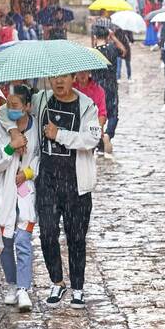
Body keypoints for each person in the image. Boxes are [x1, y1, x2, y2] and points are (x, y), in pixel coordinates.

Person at [32, 71, 102, 308]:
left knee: (76, 236)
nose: (58, 82)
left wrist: (59, 134)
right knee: (47, 233)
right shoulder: (41, 100)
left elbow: (92, 139)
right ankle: (57, 281)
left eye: (63, 77)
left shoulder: (86, 105)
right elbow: (10, 109)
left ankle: (78, 287)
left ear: (73, 78)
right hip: (47, 181)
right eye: (54, 77)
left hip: (75, 182)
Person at [0, 85, 39, 312]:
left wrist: (26, 173)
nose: (12, 110)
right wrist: (10, 148)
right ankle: (11, 283)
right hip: (3, 194)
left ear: (28, 106)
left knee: (23, 240)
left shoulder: (36, 127)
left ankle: (23, 289)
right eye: (8, 105)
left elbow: (38, 158)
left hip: (26, 192)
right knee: (6, 243)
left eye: (16, 106)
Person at [92, 25, 122, 147]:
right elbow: (124, 50)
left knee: (99, 115)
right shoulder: (112, 48)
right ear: (107, 36)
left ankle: (100, 140)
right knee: (113, 114)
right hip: (111, 86)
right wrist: (114, 38)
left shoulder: (92, 53)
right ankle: (108, 135)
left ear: (95, 37)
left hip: (97, 88)